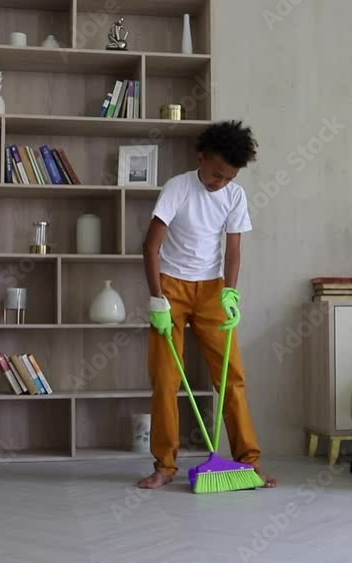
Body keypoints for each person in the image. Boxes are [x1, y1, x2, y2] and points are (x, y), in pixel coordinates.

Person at [137, 120, 276, 490]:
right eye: (216, 174)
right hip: (171, 289)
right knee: (166, 379)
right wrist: (157, 300)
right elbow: (150, 247)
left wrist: (231, 293)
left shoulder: (234, 196)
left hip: (214, 291)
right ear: (201, 159)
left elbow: (233, 251)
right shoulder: (178, 188)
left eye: (228, 177)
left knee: (232, 378)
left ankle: (249, 462)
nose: (220, 183)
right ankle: (165, 465)